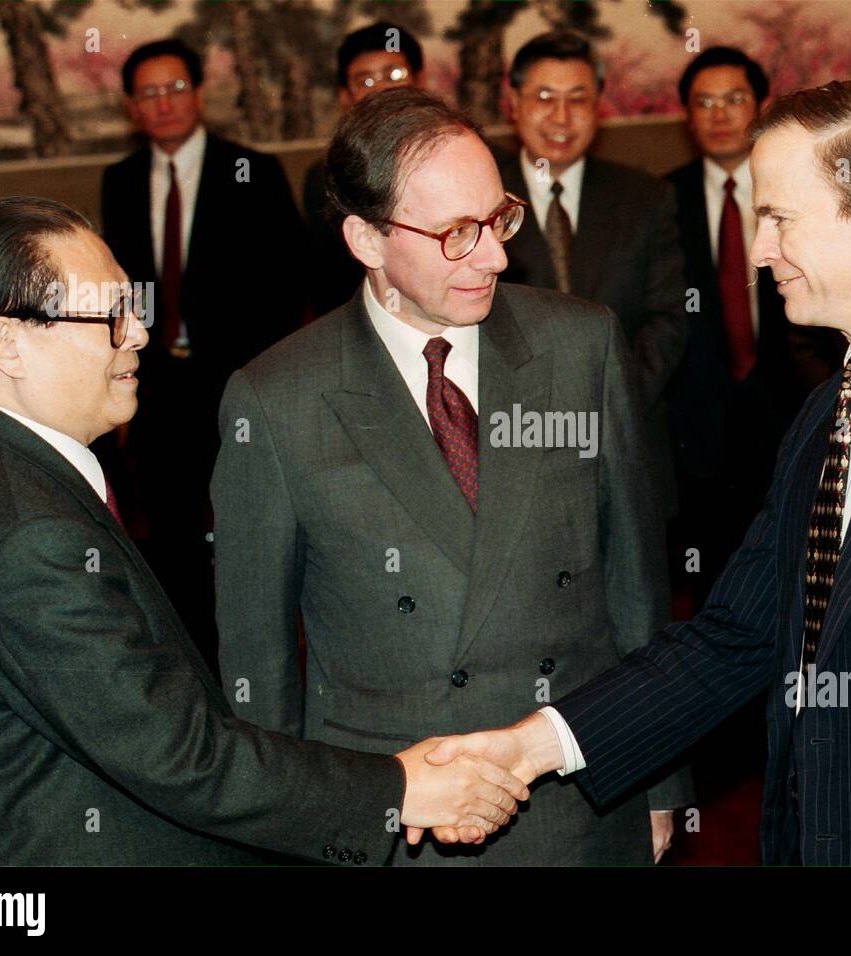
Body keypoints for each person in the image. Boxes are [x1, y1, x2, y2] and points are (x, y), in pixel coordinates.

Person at [424, 79, 851, 866]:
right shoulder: (833, 403)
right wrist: (532, 746)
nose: (759, 251)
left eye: (779, 219)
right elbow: (736, 637)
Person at [0, 196, 527, 865]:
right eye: (111, 315)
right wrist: (401, 789)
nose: (138, 333)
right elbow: (179, 756)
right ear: (9, 345)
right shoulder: (27, 533)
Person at [212, 88, 691, 866]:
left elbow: (638, 590)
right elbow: (259, 663)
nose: (495, 256)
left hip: (577, 795)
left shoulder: (581, 346)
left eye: (498, 219)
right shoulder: (276, 399)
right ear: (366, 239)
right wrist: (290, 835)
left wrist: (662, 783)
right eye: (456, 234)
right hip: (393, 814)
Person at [100, 38, 309, 674]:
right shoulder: (121, 180)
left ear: (197, 93)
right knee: (172, 539)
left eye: (174, 88)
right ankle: (195, 668)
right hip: (157, 387)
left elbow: (286, 281)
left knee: (254, 530)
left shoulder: (252, 169)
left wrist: (255, 371)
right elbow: (121, 284)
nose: (162, 104)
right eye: (147, 93)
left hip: (238, 382)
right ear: (132, 106)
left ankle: (265, 663)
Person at [664, 45, 840, 607]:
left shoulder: (801, 190)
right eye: (703, 102)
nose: (719, 115)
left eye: (734, 99)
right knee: (715, 589)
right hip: (698, 423)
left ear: (761, 106)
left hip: (793, 405)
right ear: (687, 116)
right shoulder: (663, 199)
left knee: (801, 581)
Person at [497, 30, 687, 520]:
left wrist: (602, 411)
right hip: (506, 443)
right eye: (544, 98)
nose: (561, 117)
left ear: (599, 106)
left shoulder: (645, 199)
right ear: (512, 102)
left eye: (577, 99)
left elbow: (668, 320)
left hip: (623, 447)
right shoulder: (480, 197)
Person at [303, 21, 425, 317]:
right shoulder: (324, 180)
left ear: (419, 81)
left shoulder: (466, 158)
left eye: (394, 75)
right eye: (365, 81)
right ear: (346, 97)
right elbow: (327, 286)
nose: (382, 91)